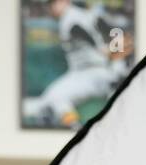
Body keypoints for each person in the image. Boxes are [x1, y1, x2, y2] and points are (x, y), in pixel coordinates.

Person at [23, 0, 133, 129]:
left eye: (52, 3)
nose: (49, 8)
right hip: (92, 73)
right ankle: (74, 126)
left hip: (90, 74)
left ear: (63, 1)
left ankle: (76, 131)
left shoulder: (70, 18)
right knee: (50, 100)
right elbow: (117, 31)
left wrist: (101, 50)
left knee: (54, 99)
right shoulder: (84, 14)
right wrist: (117, 62)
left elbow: (78, 30)